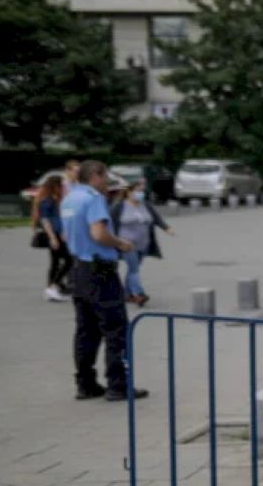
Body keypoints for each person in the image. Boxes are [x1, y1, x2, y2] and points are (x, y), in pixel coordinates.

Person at [61, 161, 147, 402]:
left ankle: (85, 383)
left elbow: (66, 234)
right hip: (100, 271)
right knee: (116, 328)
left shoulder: (69, 198)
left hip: (79, 269)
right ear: (96, 176)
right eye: (106, 177)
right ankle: (118, 385)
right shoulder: (93, 198)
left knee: (86, 331)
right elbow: (98, 233)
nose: (107, 182)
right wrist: (120, 243)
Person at [110, 178, 172, 306]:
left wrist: (166, 228)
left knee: (134, 268)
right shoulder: (120, 206)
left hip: (143, 243)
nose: (141, 193)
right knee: (134, 269)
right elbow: (109, 222)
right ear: (129, 192)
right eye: (138, 191)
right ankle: (139, 294)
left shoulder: (145, 205)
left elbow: (156, 218)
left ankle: (127, 294)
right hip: (127, 244)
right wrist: (113, 240)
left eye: (142, 191)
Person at [33, 172, 72, 302]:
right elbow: (45, 220)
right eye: (61, 185)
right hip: (53, 235)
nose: (63, 188)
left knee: (55, 262)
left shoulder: (55, 200)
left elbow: (59, 218)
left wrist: (63, 232)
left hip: (58, 234)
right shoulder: (46, 201)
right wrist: (53, 237)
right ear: (55, 186)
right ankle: (52, 287)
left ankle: (52, 288)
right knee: (68, 260)